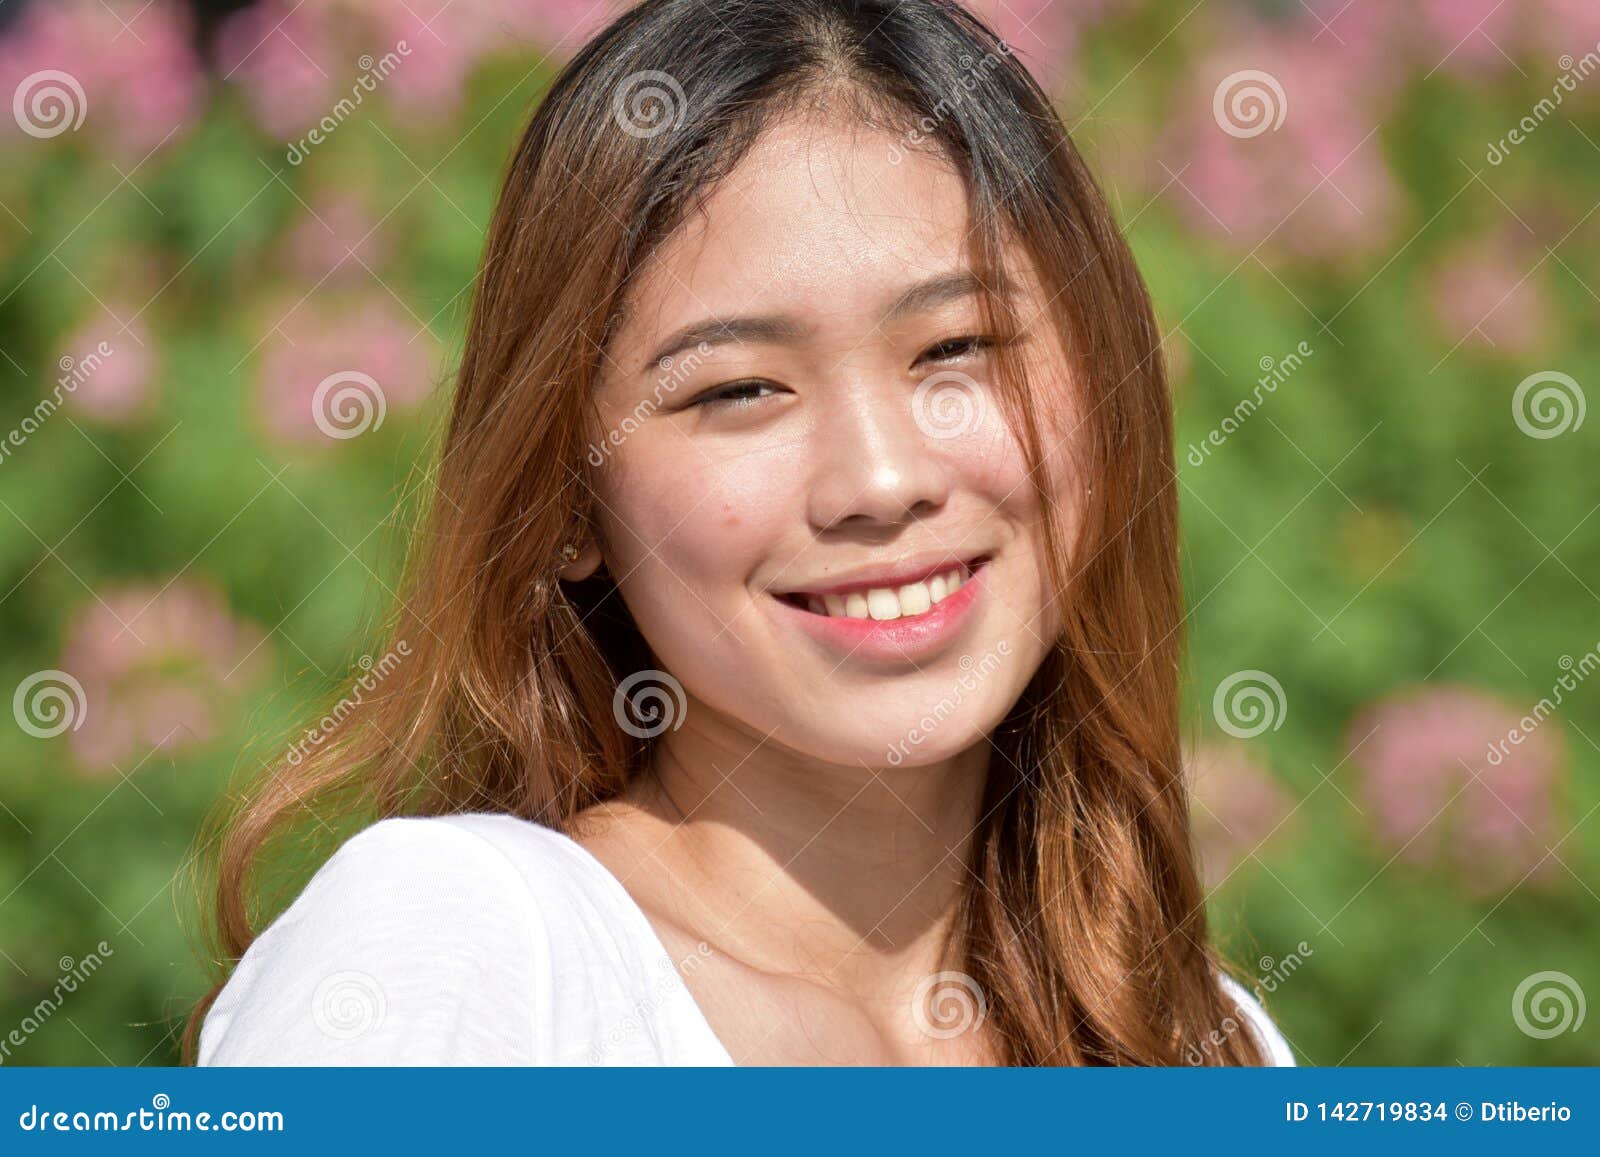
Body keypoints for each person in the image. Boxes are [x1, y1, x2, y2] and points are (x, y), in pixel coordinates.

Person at [189, 0, 1296, 1067]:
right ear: (565, 500)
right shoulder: (474, 951)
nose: (879, 478)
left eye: (955, 347)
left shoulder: (1204, 1044)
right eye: (741, 389)